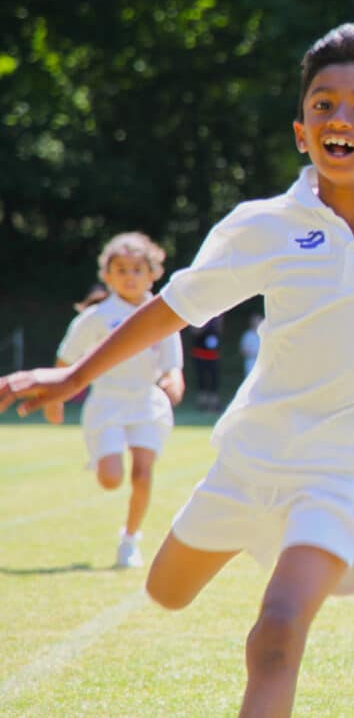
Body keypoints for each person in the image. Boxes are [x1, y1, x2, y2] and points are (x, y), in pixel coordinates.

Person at [0, 22, 354, 718]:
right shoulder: (263, 227)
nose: (340, 117)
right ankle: (285, 539)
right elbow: (170, 309)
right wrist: (71, 379)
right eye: (323, 104)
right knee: (166, 589)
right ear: (300, 130)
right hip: (256, 452)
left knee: (278, 630)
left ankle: (317, 548)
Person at [43, 232, 185, 568]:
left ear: (152, 273)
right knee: (110, 479)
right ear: (107, 276)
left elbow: (172, 363)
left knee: (142, 475)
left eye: (137, 269)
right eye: (120, 270)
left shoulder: (163, 313)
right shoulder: (95, 318)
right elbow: (66, 359)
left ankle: (130, 541)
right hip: (106, 403)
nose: (129, 276)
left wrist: (173, 380)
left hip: (147, 404)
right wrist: (54, 398)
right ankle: (102, 459)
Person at [190, 315, 223, 412]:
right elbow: (195, 332)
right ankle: (203, 403)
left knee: (214, 380)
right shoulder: (197, 317)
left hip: (213, 356)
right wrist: (205, 324)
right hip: (200, 355)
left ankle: (214, 404)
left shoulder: (216, 319)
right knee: (202, 380)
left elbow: (220, 330)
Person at [239, 313, 263, 377]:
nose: (259, 322)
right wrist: (255, 355)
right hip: (251, 364)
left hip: (263, 365)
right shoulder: (248, 335)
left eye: (260, 320)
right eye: (257, 320)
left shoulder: (264, 334)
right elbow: (243, 351)